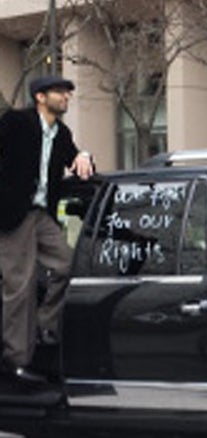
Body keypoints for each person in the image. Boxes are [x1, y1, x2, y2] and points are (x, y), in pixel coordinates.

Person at [0, 76, 94, 384]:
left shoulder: (61, 132)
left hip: (42, 216)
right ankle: (16, 361)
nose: (66, 96)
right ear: (41, 97)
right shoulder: (16, 122)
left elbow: (75, 160)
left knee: (68, 264)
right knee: (20, 286)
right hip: (13, 216)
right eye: (60, 92)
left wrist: (83, 156)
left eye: (67, 92)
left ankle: (44, 324)